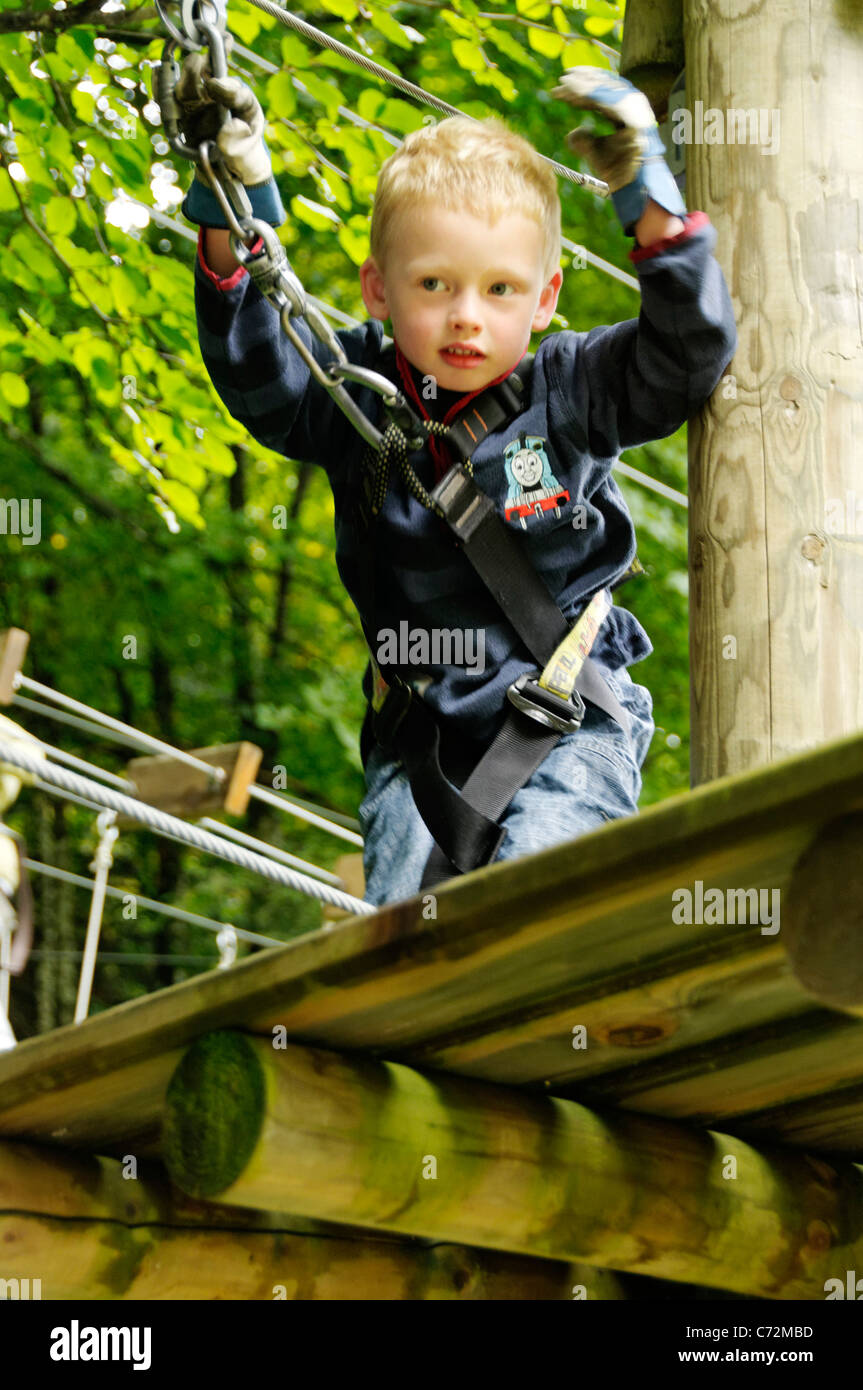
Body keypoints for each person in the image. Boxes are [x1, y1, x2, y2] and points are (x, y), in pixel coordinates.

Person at [173, 60, 737, 907]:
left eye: (498, 289)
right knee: (416, 960)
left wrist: (646, 200)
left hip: (563, 726)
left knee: (534, 918)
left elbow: (685, 355)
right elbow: (261, 373)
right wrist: (229, 203)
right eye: (433, 285)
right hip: (420, 748)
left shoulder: (570, 385)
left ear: (544, 297)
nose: (467, 315)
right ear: (378, 288)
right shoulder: (353, 387)